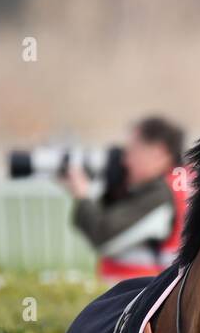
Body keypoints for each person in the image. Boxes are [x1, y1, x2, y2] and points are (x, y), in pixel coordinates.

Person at [62, 115, 188, 283]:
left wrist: (82, 195)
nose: (125, 161)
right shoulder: (179, 185)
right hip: (157, 297)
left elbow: (103, 234)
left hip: (145, 300)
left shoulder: (161, 194)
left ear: (158, 152)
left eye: (132, 151)